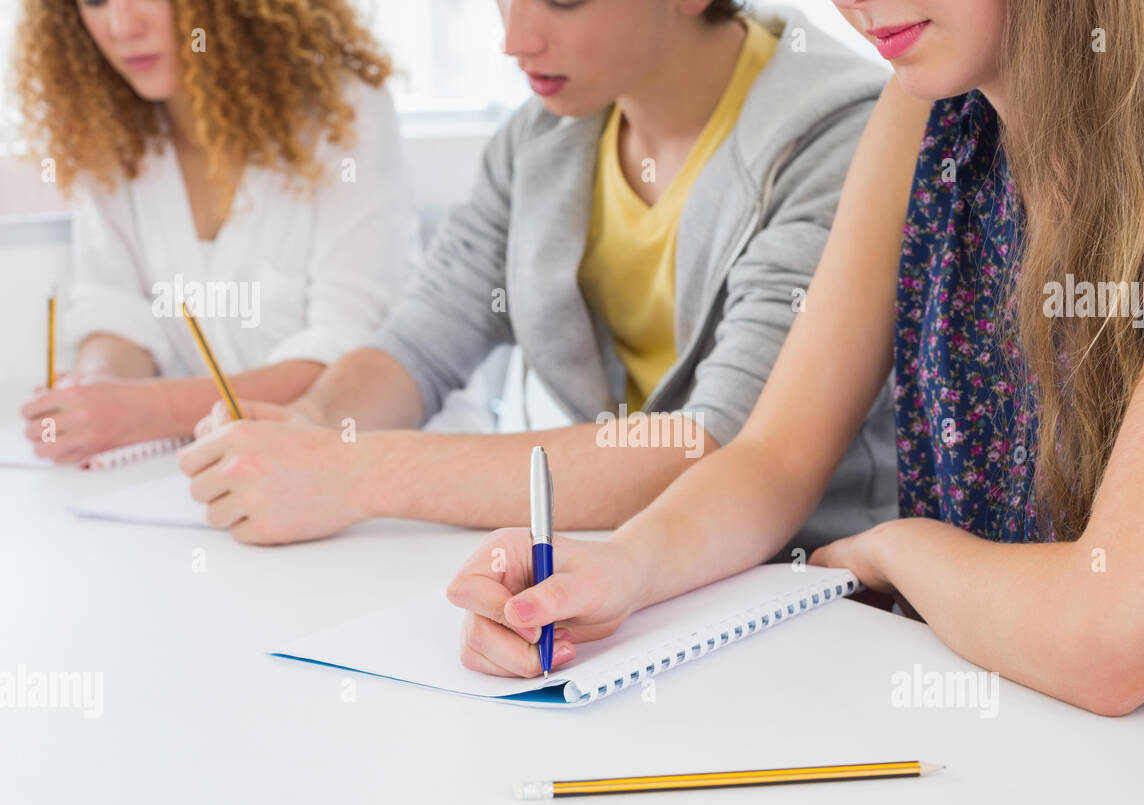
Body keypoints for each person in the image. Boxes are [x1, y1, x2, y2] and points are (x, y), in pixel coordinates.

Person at [446, 0, 1144, 718]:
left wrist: (899, 555)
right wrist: (620, 568)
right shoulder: (922, 107)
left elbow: (1119, 636)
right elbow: (775, 456)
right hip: (1011, 731)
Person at [176, 0, 898, 551]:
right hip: (636, 571)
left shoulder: (837, 138)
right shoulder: (544, 135)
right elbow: (421, 341)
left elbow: (714, 446)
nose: (513, 37)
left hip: (811, 586)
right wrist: (311, 426)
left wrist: (356, 471)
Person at [14, 0, 417, 464]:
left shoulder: (344, 112)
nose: (122, 26)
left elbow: (349, 364)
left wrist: (142, 411)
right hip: (228, 470)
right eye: (95, 0)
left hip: (372, 469)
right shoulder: (110, 129)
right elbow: (117, 311)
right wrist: (92, 392)